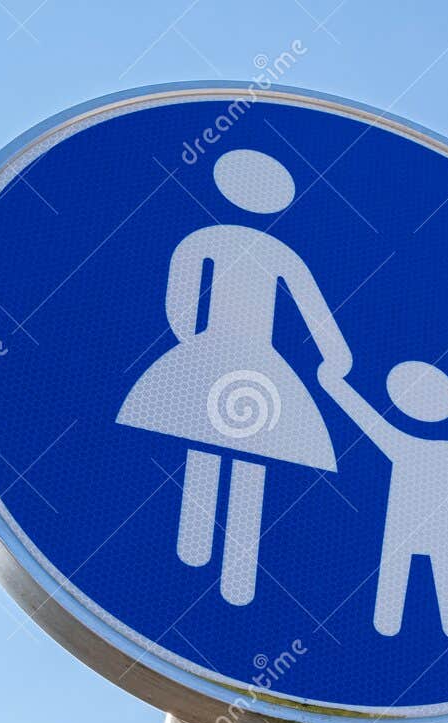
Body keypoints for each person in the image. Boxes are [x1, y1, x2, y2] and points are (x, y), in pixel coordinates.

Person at [117, 149, 349, 606]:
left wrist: (194, 344)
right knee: (245, 457)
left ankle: (205, 561)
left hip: (222, 355)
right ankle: (218, 569)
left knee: (216, 447)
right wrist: (335, 357)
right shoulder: (262, 250)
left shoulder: (213, 240)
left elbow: (180, 303)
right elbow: (317, 316)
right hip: (253, 362)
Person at [317, 360, 448, 639]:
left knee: (437, 572)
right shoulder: (417, 445)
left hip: (440, 524)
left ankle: (439, 628)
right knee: (403, 569)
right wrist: (333, 384)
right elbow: (365, 417)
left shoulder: (433, 448)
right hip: (413, 521)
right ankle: (388, 626)